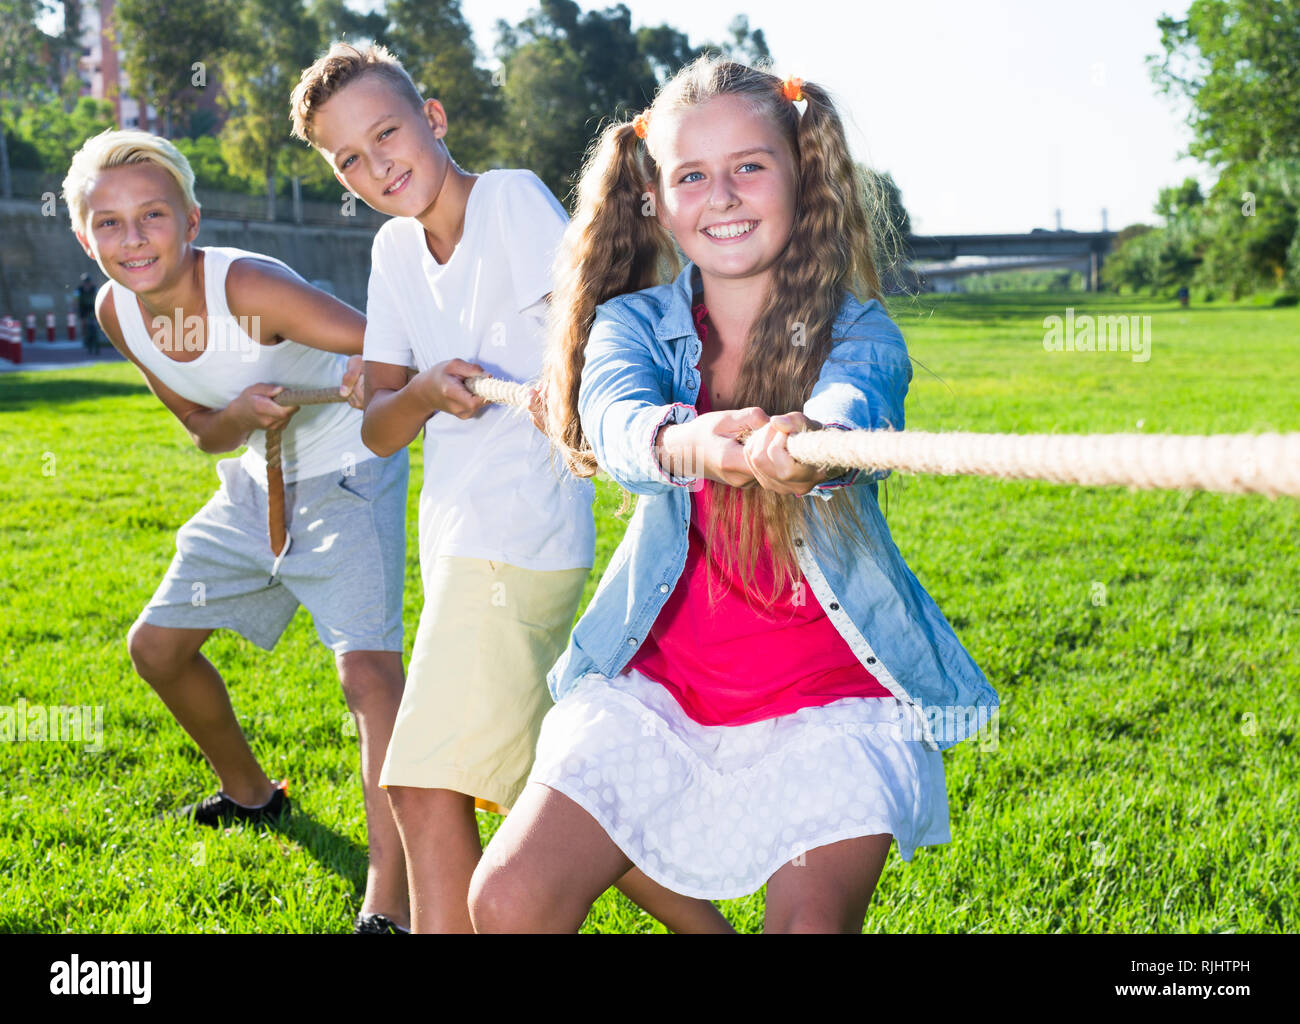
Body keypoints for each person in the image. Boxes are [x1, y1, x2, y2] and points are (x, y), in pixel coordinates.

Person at [468, 56, 1000, 933]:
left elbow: (859, 401)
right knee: (508, 900)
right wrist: (689, 442)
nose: (722, 195)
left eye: (749, 165)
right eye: (691, 176)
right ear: (657, 198)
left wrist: (809, 443)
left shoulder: (855, 326)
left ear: (801, 172)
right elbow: (614, 416)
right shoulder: (633, 323)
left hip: (830, 694)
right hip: (660, 685)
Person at [291, 41, 733, 934]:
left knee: (420, 785)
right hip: (457, 548)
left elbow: (595, 327)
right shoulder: (391, 253)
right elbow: (379, 426)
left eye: (388, 133)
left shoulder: (509, 201)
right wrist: (418, 392)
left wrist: (561, 390)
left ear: (435, 119)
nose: (377, 165)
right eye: (349, 159)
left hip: (519, 540)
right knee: (549, 797)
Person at [63, 129, 411, 935]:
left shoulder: (248, 285)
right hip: (253, 481)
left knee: (368, 681)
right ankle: (254, 797)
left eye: (151, 215)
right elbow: (201, 431)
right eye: (108, 224)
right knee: (155, 648)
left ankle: (389, 901)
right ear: (84, 237)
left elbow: (390, 354)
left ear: (190, 218)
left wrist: (370, 378)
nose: (132, 238)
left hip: (344, 480)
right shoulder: (115, 309)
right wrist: (236, 415)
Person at [75, 272, 100, 354]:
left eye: (88, 282)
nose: (87, 284)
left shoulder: (94, 289)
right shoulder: (79, 290)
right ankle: (85, 337)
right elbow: (75, 300)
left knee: (95, 326)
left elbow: (99, 297)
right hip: (83, 310)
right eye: (85, 282)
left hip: (93, 309)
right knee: (84, 325)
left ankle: (96, 344)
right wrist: (74, 308)